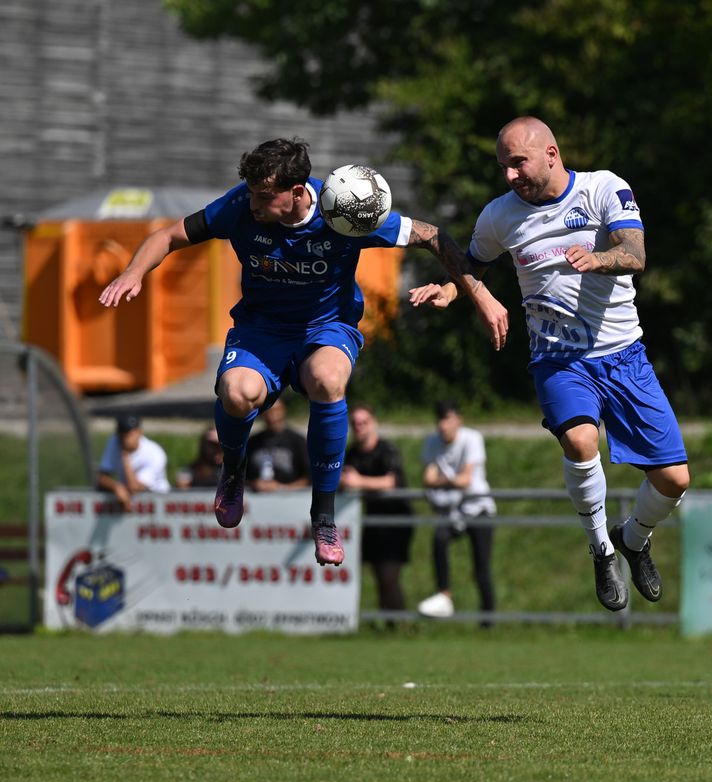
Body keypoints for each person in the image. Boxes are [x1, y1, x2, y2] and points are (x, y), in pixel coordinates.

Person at [98, 137, 507, 567]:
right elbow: (168, 235)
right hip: (261, 329)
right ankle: (233, 471)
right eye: (252, 192)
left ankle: (323, 514)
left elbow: (431, 235)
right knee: (237, 393)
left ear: (297, 192)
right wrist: (133, 272)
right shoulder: (240, 206)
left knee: (327, 381)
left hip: (326, 327)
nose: (254, 203)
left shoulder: (343, 211)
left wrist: (477, 295)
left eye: (264, 195)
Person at [409, 116, 689, 612]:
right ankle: (602, 548)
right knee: (581, 440)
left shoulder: (605, 189)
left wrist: (597, 259)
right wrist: (452, 289)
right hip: (558, 357)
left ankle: (633, 538)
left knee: (674, 480)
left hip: (624, 354)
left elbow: (636, 253)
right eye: (503, 166)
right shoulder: (499, 216)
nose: (510, 176)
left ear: (552, 154)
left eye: (518, 163)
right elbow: (473, 262)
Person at [416, 400, 497, 622]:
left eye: (448, 419)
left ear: (458, 420)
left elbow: (465, 479)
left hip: (479, 508)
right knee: (439, 539)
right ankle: (444, 595)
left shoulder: (472, 438)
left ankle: (488, 621)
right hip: (452, 511)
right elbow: (427, 479)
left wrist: (441, 481)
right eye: (440, 420)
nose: (443, 426)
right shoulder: (432, 442)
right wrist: (451, 480)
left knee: (481, 569)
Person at [342, 402, 414, 617]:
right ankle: (388, 623)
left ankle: (399, 622)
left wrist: (358, 481)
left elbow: (391, 482)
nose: (360, 427)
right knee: (378, 575)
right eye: (355, 423)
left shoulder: (387, 450)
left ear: (374, 423)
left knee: (388, 575)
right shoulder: (351, 454)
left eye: (364, 422)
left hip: (395, 520)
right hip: (371, 520)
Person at [96, 414, 170, 510]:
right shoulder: (114, 442)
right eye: (121, 435)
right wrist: (116, 487)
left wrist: (125, 456)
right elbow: (101, 478)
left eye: (128, 435)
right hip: (131, 505)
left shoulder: (155, 454)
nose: (123, 439)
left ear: (139, 433)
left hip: (158, 505)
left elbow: (134, 488)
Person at [245, 394, 310, 492]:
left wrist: (282, 488)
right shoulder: (252, 442)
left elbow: (309, 477)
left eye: (276, 411)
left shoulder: (297, 440)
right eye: (268, 411)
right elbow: (241, 476)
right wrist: (255, 484)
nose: (272, 416)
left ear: (284, 411)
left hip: (290, 499)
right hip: (257, 500)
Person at [176, 425, 224, 489]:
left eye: (221, 444)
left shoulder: (236, 471)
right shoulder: (190, 471)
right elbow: (181, 494)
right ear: (203, 445)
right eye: (213, 444)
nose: (218, 448)